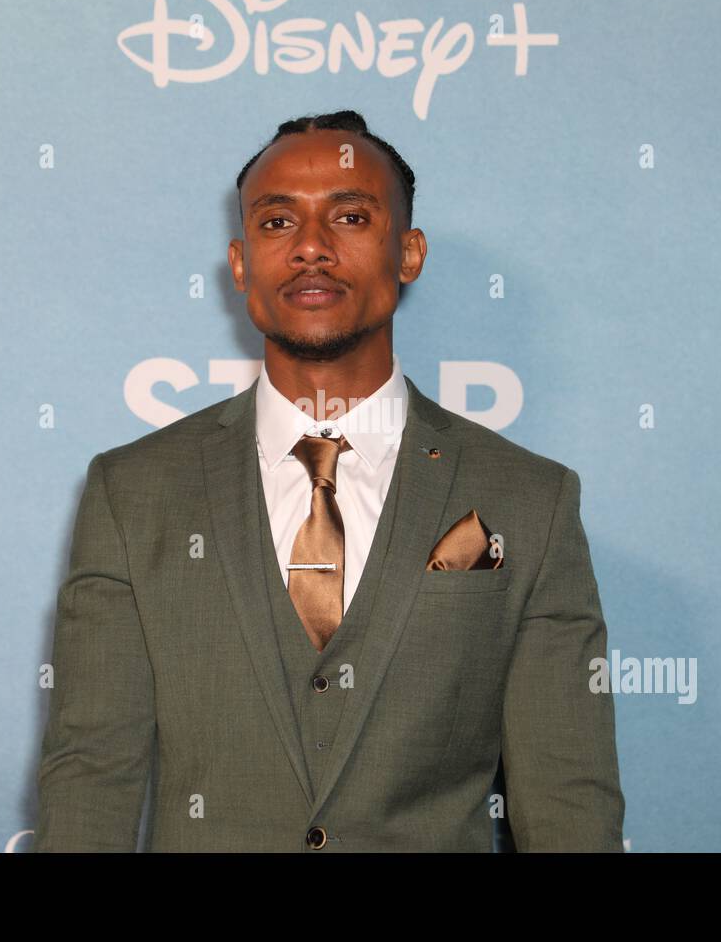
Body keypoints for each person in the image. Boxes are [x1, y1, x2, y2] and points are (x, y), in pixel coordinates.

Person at [33, 110, 624, 851]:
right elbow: (91, 778)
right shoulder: (133, 493)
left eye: (349, 216)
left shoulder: (530, 501)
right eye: (278, 222)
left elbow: (569, 802)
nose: (311, 247)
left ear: (408, 253)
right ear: (242, 263)